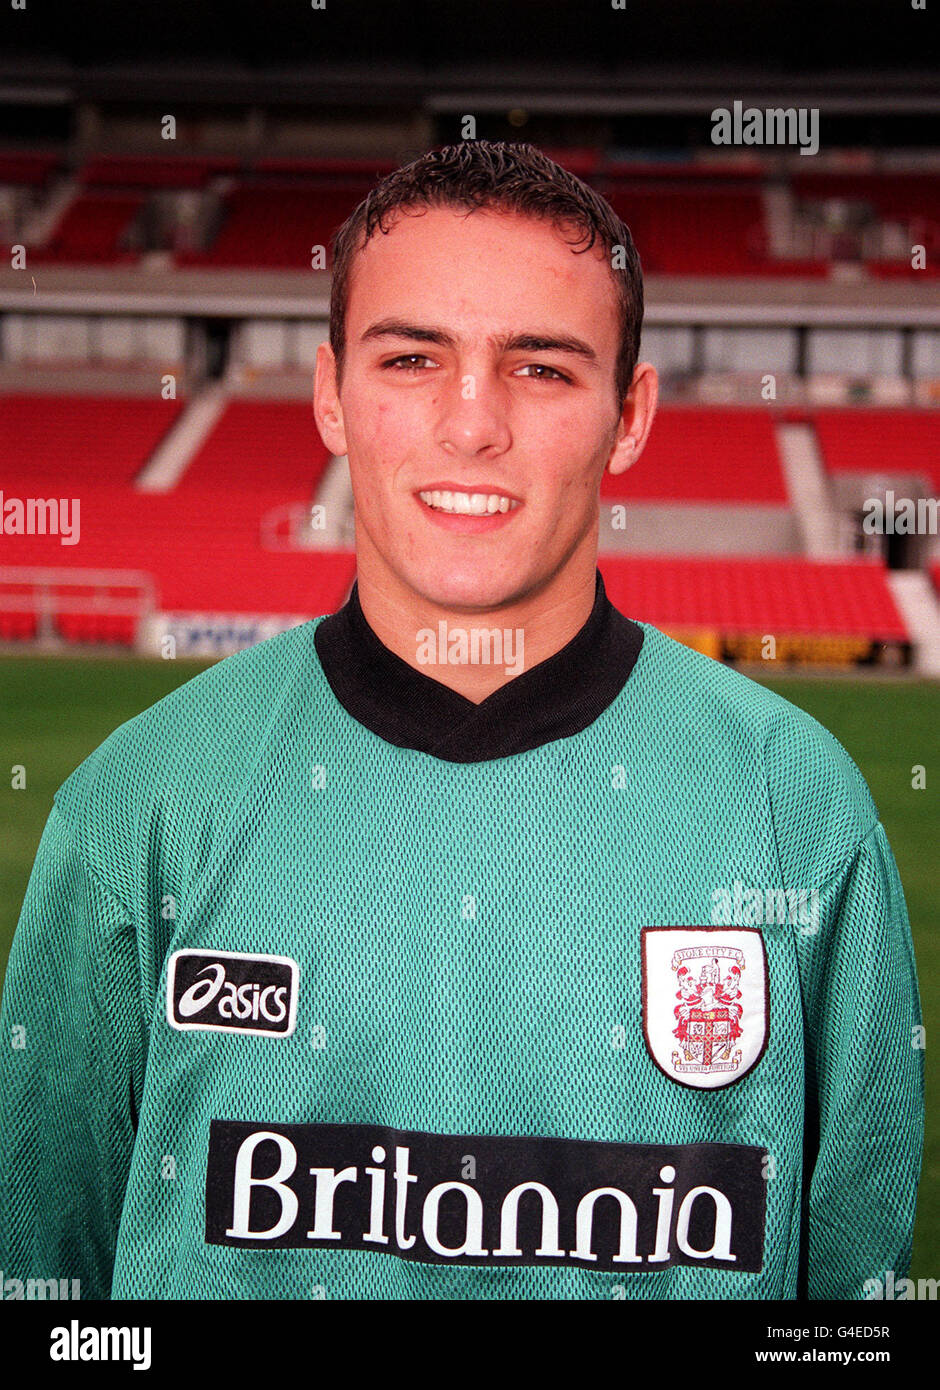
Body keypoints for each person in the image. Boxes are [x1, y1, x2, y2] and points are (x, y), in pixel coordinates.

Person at [0, 141, 923, 1300]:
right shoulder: (139, 803)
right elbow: (45, 1284)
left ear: (629, 416)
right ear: (332, 393)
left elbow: (851, 1299)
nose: (470, 424)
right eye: (411, 358)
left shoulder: (798, 807)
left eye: (540, 369)